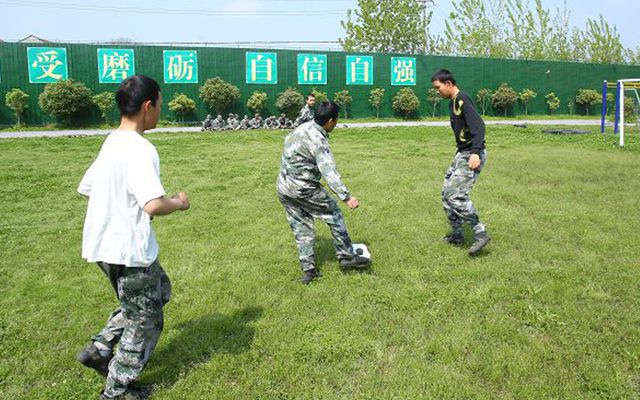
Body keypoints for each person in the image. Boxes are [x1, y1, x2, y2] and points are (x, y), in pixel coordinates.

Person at [75, 75, 190, 399]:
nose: (160, 112)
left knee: (158, 290)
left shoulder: (112, 141)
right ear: (147, 106)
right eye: (160, 106)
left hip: (102, 244)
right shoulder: (140, 148)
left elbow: (87, 188)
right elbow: (153, 202)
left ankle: (99, 348)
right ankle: (116, 390)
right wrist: (180, 203)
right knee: (146, 322)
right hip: (128, 249)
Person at [277, 101, 370, 284]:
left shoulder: (302, 127)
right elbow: (329, 173)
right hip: (304, 188)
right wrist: (346, 197)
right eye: (335, 122)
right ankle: (346, 256)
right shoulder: (318, 140)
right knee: (334, 214)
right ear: (330, 121)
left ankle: (309, 270)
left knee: (301, 228)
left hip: (283, 187)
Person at [431, 69, 490, 255]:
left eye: (438, 87)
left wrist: (475, 152)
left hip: (471, 154)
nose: (437, 91)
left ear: (448, 84)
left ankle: (480, 233)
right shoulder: (453, 102)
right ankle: (457, 235)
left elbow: (479, 126)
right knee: (446, 194)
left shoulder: (462, 99)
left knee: (455, 195)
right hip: (462, 153)